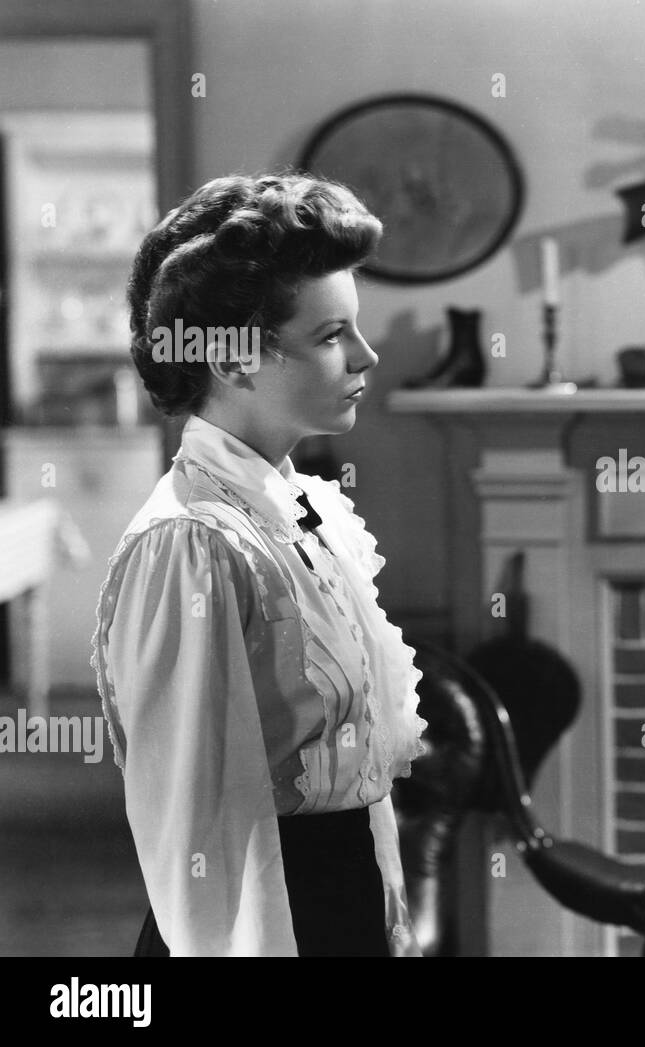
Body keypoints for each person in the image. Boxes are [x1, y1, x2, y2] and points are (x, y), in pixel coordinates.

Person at [91, 173, 427, 956]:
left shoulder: (307, 509)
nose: (367, 356)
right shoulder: (191, 545)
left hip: (339, 907)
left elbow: (361, 777)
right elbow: (196, 833)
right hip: (259, 923)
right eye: (331, 334)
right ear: (237, 359)